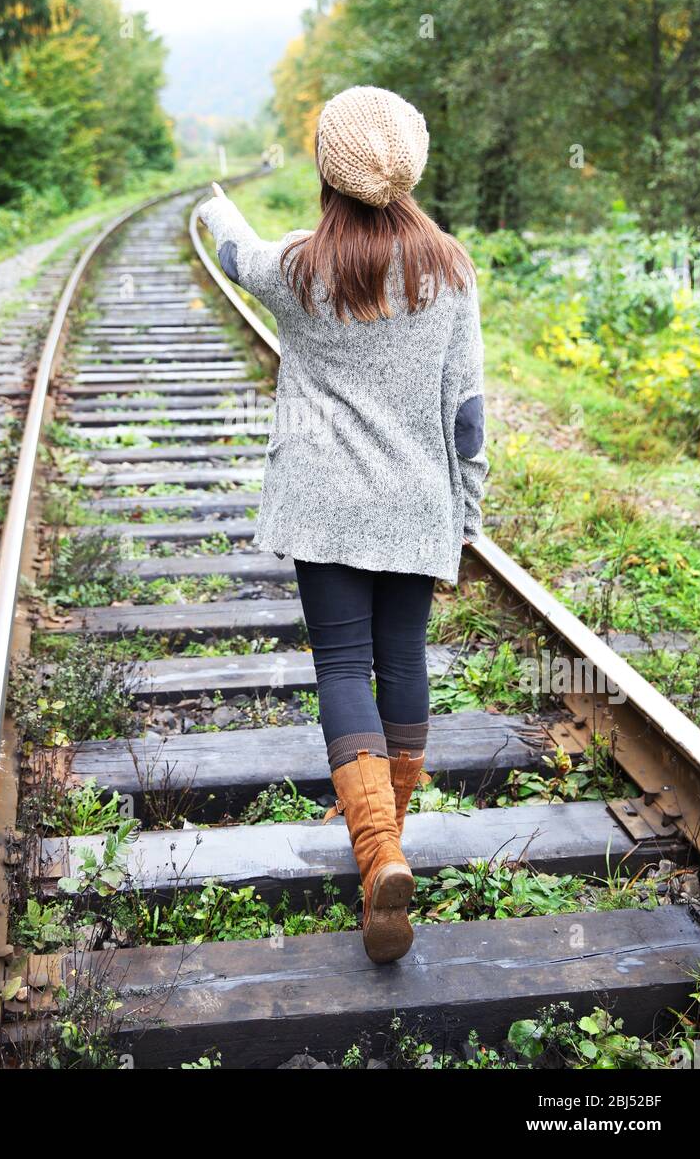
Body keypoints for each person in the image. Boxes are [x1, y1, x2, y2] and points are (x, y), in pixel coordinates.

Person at [197, 86, 488, 963]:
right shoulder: (450, 270)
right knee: (402, 661)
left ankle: (378, 857)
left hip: (325, 507)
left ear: (327, 172)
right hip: (413, 504)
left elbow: (235, 252)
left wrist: (216, 207)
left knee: (341, 668)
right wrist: (465, 513)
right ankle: (385, 850)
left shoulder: (298, 269)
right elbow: (467, 412)